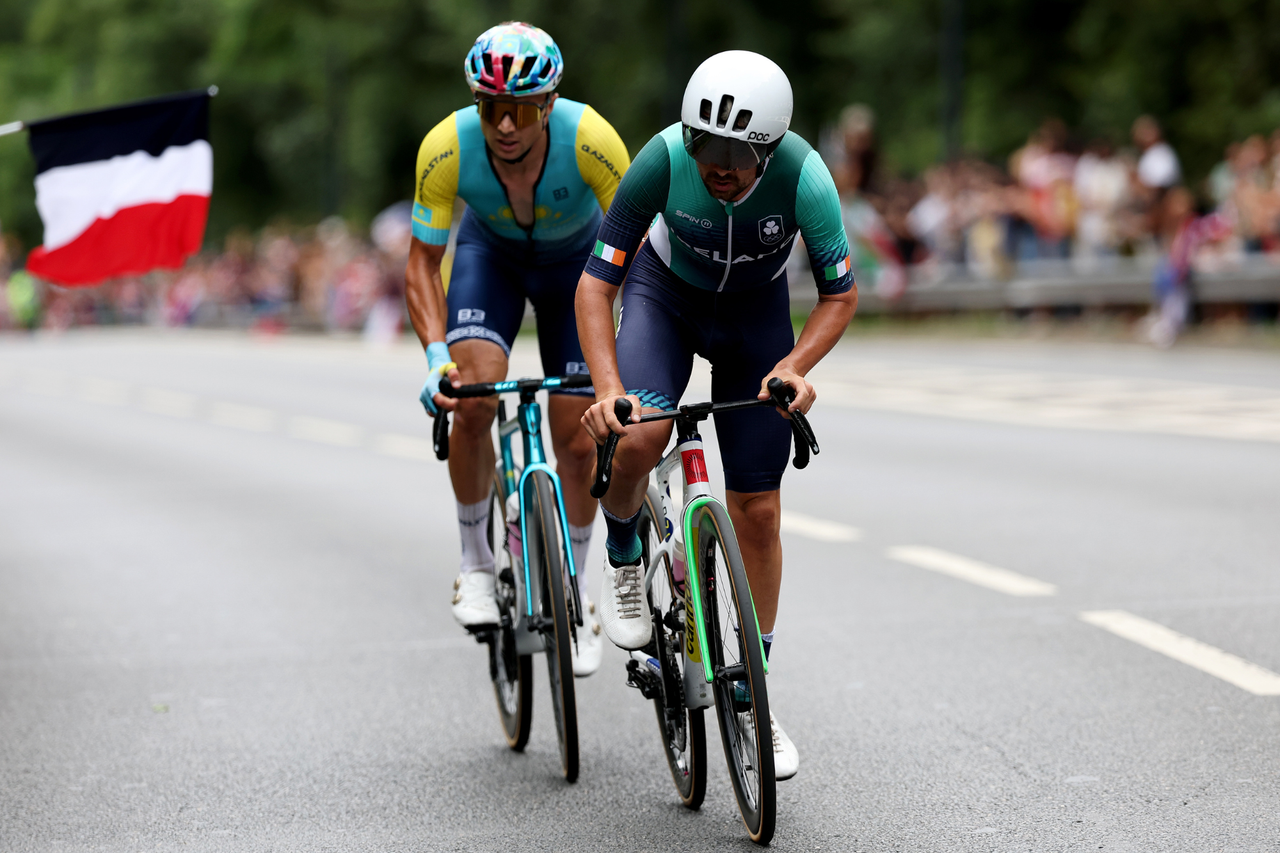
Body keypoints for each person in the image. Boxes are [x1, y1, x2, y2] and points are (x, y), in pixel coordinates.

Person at [575, 50, 857, 781]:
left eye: (736, 151)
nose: (717, 163)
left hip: (756, 315)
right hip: (665, 298)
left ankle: (749, 693)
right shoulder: (663, 160)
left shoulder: (806, 178)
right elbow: (596, 283)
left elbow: (839, 295)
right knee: (642, 432)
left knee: (758, 509)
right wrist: (607, 388)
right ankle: (625, 552)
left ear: (768, 149)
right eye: (706, 142)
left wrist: (794, 366)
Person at [404, 21, 631, 677]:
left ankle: (578, 587)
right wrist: (433, 357)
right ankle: (475, 562)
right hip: (489, 262)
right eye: (491, 108)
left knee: (583, 435)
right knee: (473, 396)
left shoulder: (592, 140)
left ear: (548, 105)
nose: (505, 124)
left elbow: (638, 248)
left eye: (521, 109)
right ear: (476, 106)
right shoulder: (446, 147)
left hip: (577, 273)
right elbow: (422, 263)